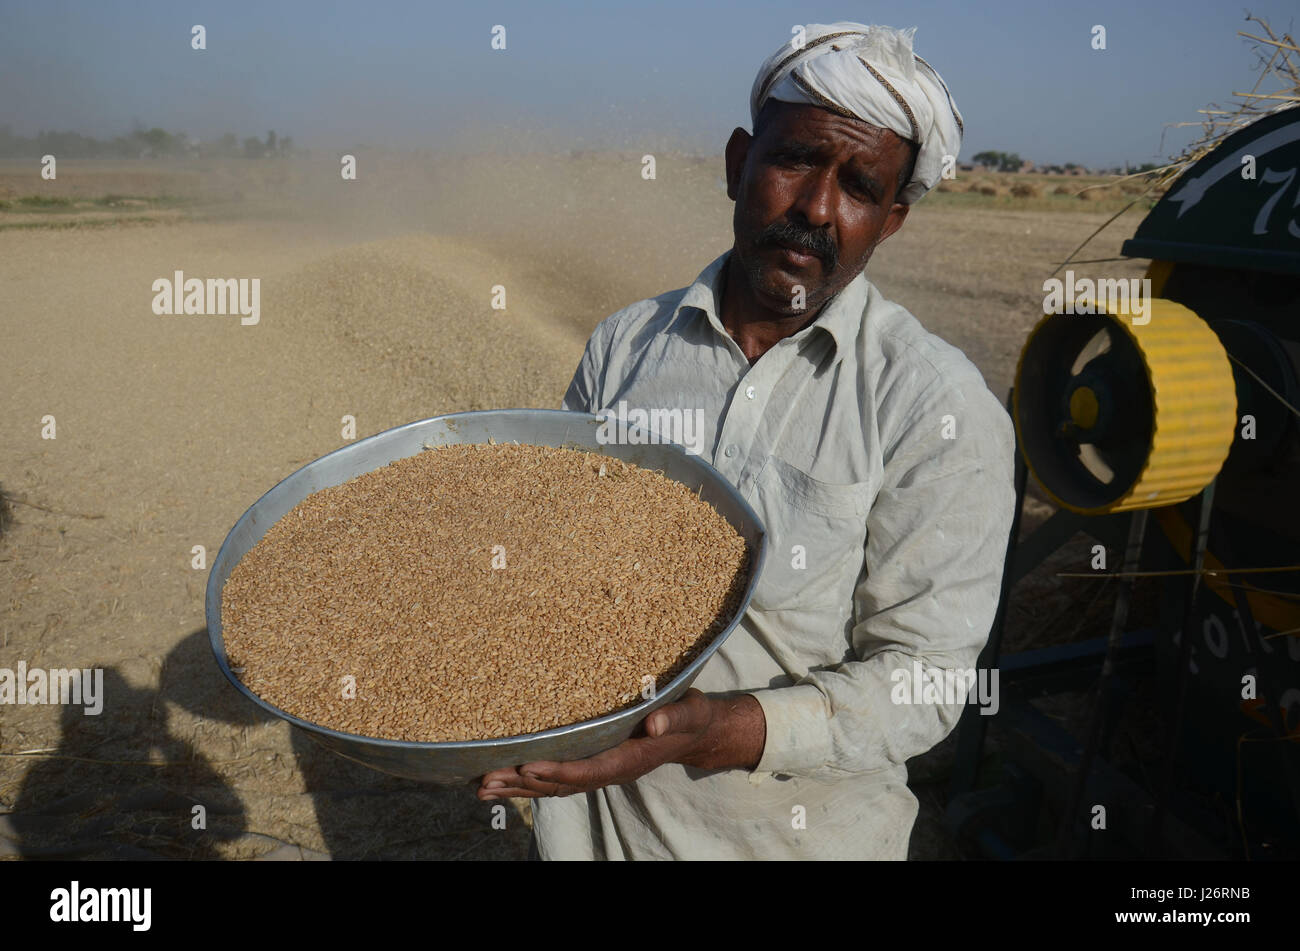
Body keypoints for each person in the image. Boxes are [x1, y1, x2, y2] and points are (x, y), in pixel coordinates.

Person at [478, 21, 1016, 860]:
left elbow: (927, 679)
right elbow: (560, 556)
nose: (815, 209)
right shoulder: (627, 344)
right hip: (592, 834)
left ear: (892, 220)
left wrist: (721, 729)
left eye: (860, 186)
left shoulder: (933, 405)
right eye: (793, 160)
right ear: (739, 163)